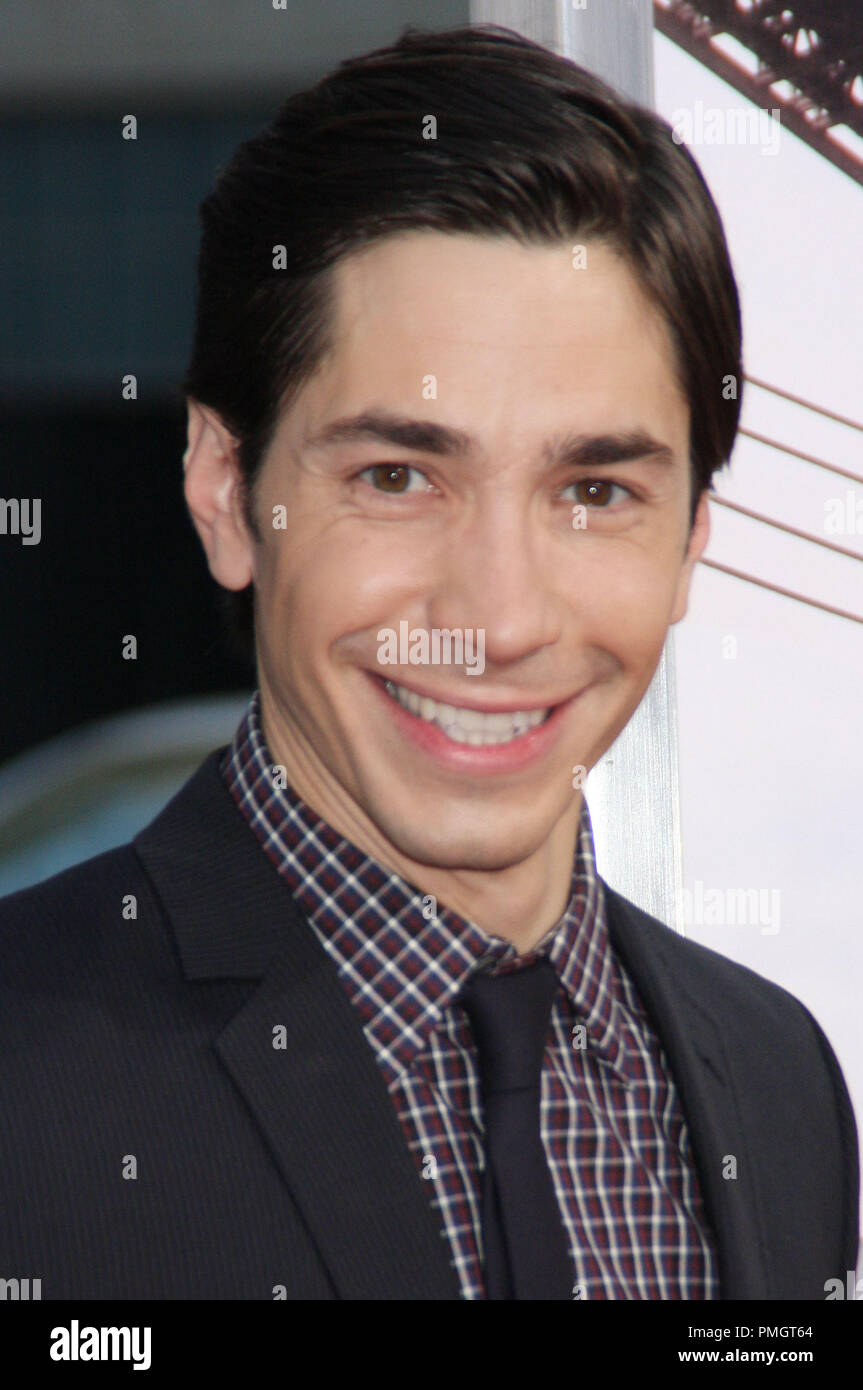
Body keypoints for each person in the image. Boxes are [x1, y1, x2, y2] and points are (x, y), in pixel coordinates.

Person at [0, 24, 856, 1301]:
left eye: (594, 491)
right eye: (397, 477)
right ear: (226, 490)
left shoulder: (779, 1081)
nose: (499, 617)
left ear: (689, 542)